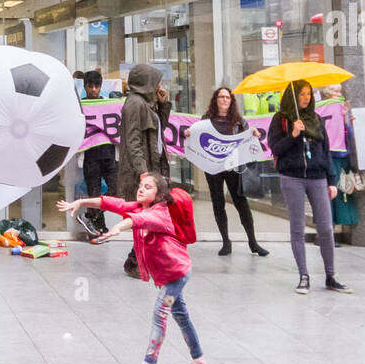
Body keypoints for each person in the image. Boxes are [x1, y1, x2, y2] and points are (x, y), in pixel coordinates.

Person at [58, 172, 208, 364]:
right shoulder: (139, 207)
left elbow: (138, 221)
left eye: (147, 187)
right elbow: (111, 203)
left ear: (158, 195)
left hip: (176, 274)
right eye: (140, 185)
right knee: (181, 316)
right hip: (168, 274)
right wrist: (81, 201)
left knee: (160, 314)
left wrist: (117, 228)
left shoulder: (160, 214)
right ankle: (200, 363)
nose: (141, 189)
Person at [268, 80, 352, 294]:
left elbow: (326, 152)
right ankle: (303, 275)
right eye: (301, 94)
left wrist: (331, 181)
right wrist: (293, 135)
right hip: (292, 177)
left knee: (325, 227)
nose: (305, 98)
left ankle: (330, 275)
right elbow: (275, 148)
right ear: (292, 97)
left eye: (308, 94)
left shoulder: (315, 119)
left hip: (318, 177)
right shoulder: (281, 120)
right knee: (297, 228)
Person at [181, 85, 268, 257]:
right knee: (218, 202)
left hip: (232, 167)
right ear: (215, 99)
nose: (224, 100)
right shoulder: (206, 119)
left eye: (227, 97)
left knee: (240, 202)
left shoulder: (238, 121)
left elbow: (248, 141)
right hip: (213, 167)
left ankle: (253, 242)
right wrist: (188, 134)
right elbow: (197, 137)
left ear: (231, 101)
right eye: (221, 97)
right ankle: (226, 241)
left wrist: (254, 135)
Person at [116, 64, 173, 277]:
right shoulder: (134, 104)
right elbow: (133, 141)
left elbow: (161, 129)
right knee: (144, 218)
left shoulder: (147, 104)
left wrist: (163, 104)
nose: (159, 84)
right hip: (142, 171)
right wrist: (143, 172)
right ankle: (134, 261)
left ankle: (139, 260)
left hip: (153, 166)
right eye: (155, 80)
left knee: (149, 217)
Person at [78, 70, 118, 236]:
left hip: (109, 155)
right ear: (85, 86)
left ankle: (89, 216)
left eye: (97, 86)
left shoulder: (108, 104)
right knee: (94, 193)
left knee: (115, 191)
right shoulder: (80, 107)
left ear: (101, 87)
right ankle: (99, 227)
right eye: (91, 86)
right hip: (91, 157)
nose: (94, 89)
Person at [319, 83, 359, 228]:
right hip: (328, 155)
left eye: (340, 91)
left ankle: (336, 225)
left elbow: (349, 134)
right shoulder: (321, 108)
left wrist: (346, 120)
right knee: (328, 191)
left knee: (342, 191)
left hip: (342, 156)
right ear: (327, 93)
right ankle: (327, 228)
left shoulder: (343, 109)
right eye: (336, 91)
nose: (339, 94)